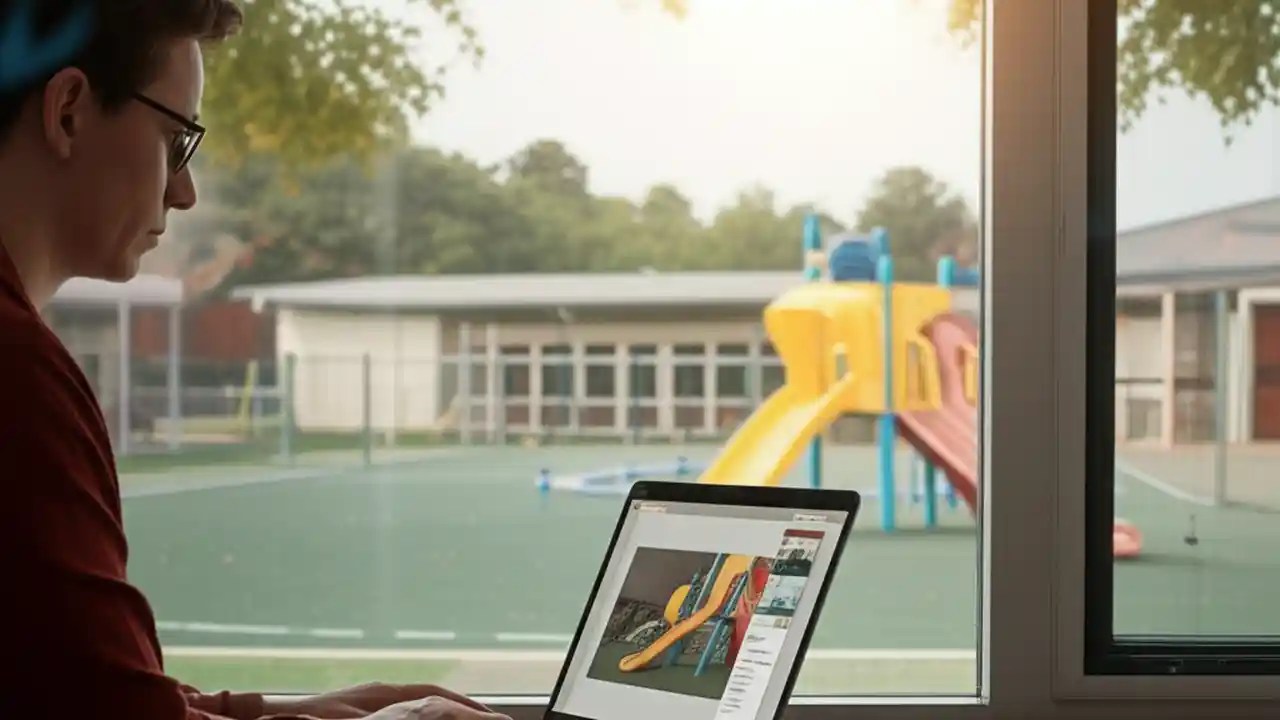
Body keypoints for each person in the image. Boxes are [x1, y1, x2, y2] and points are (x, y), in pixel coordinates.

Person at [0, 2, 512, 718]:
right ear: (69, 113)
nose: (185, 191)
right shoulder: (17, 375)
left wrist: (272, 711)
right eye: (176, 141)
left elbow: (66, 686)